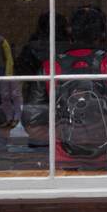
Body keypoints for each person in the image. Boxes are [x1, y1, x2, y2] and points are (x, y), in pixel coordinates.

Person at [24, 6, 107, 168]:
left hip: (63, 161)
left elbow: (32, 122)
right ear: (103, 34)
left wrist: (59, 138)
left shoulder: (50, 68)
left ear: (71, 33)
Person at [18, 13, 69, 147]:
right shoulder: (68, 48)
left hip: (37, 98)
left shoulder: (31, 47)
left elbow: (21, 70)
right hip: (65, 97)